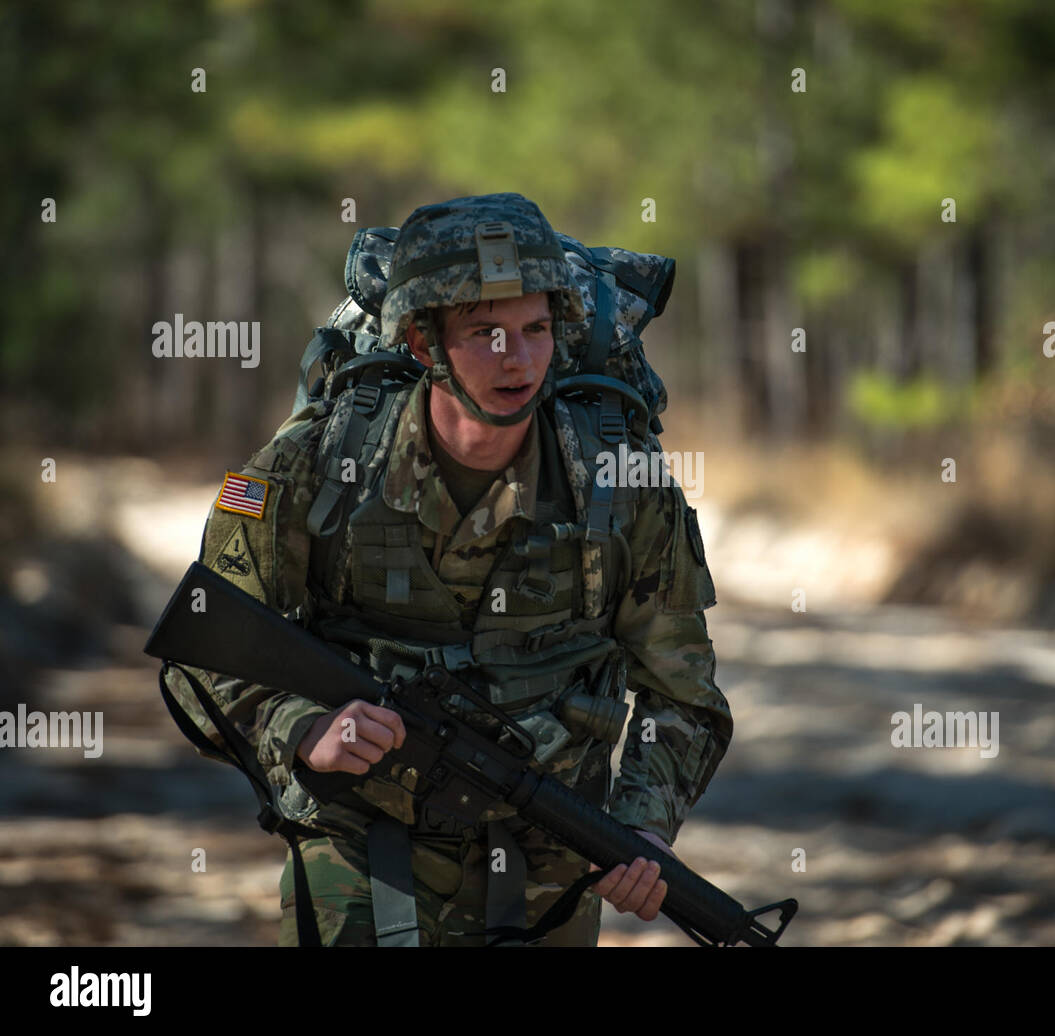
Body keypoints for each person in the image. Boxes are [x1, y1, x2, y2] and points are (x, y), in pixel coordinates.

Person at [166, 192, 732, 946]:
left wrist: (643, 830)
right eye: (486, 332)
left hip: (551, 862)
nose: (519, 358)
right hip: (360, 846)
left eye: (536, 330)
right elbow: (199, 653)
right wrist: (302, 728)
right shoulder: (313, 471)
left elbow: (682, 695)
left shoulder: (619, 485)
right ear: (424, 343)